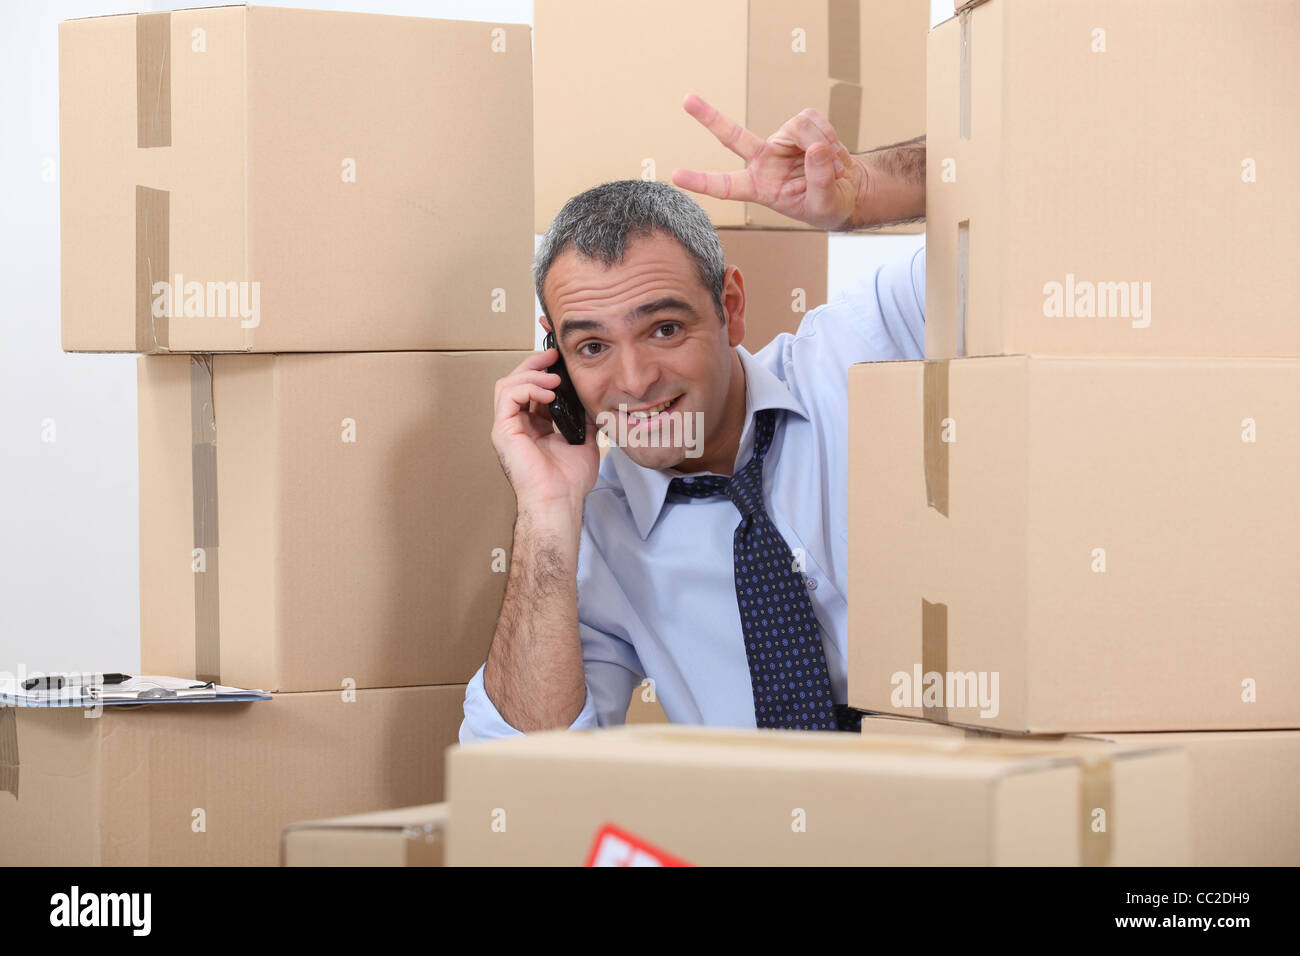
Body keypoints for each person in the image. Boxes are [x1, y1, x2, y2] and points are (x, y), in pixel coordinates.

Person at [460, 94, 926, 741]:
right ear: (555, 358)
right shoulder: (595, 531)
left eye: (665, 328)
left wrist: (871, 190)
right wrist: (545, 511)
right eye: (592, 346)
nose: (634, 381)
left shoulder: (860, 351)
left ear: (731, 307)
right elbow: (515, 764)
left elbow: (1053, 203)